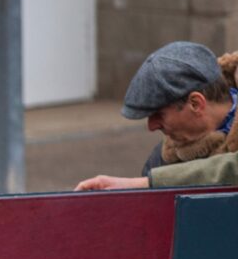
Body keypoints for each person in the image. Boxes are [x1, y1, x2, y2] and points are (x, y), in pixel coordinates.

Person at [75, 41, 238, 191]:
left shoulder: (159, 171)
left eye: (159, 114)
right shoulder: (161, 159)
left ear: (196, 103)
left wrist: (147, 184)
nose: (152, 126)